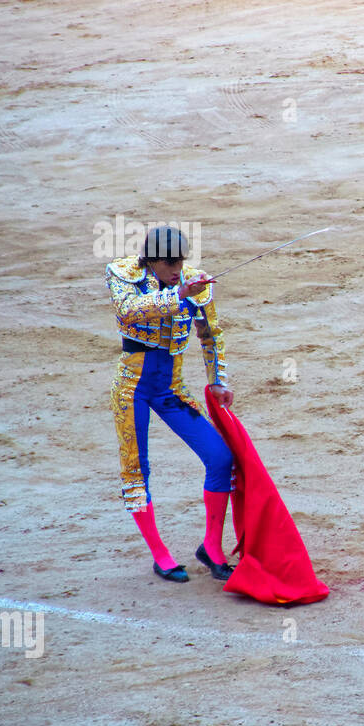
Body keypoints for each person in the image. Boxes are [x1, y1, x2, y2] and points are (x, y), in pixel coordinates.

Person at [106, 225, 236, 582]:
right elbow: (129, 312)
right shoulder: (122, 274)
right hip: (132, 388)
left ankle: (211, 547)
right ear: (150, 261)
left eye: (180, 260)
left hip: (171, 389)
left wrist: (218, 381)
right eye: (169, 262)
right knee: (137, 470)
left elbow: (211, 334)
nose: (177, 268)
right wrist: (179, 295)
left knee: (221, 457)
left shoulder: (194, 282)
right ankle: (159, 554)